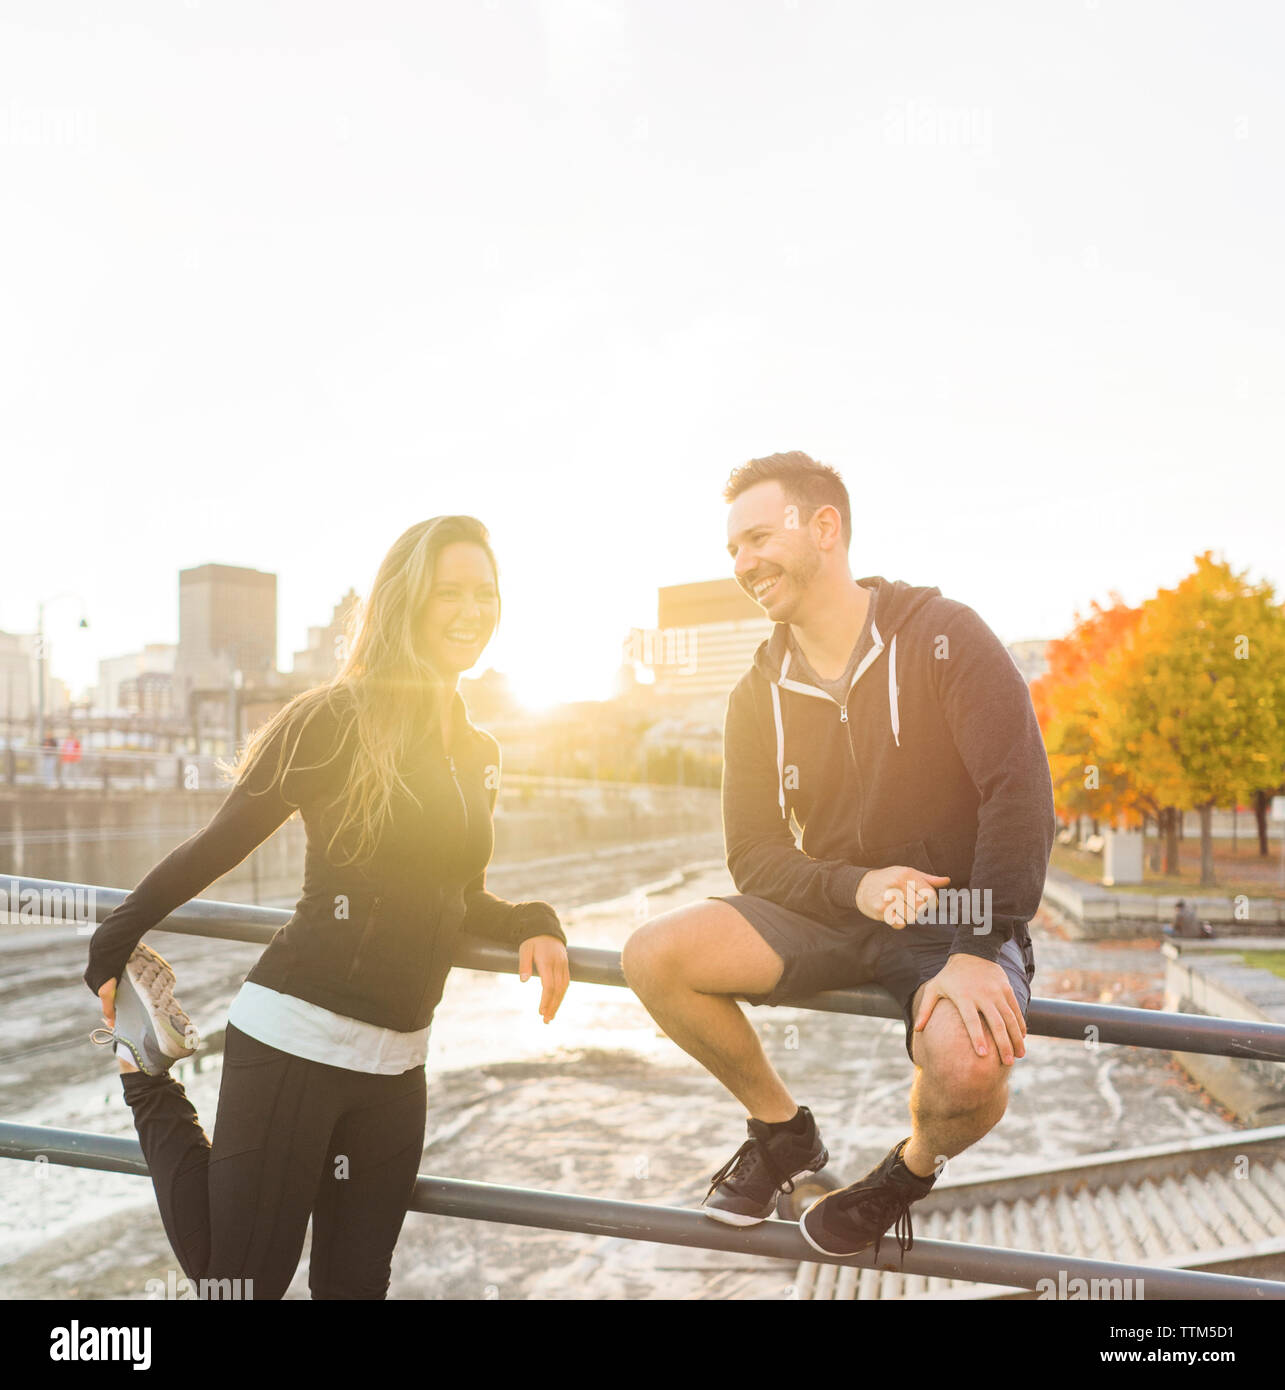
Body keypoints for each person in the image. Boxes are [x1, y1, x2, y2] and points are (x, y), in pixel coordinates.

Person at [84, 515, 571, 1299]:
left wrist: (532, 920)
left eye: (484, 592)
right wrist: (115, 938)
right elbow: (219, 845)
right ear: (405, 602)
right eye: (448, 592)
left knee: (352, 1290)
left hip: (398, 1070)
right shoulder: (334, 718)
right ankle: (146, 1073)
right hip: (295, 1042)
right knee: (236, 1286)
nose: (470, 609)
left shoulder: (479, 751)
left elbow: (456, 896)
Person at [622, 452, 1055, 1262]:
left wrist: (973, 951)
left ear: (824, 527)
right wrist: (855, 888)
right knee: (652, 954)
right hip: (825, 907)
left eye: (757, 537)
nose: (744, 563)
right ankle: (782, 1134)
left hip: (949, 912)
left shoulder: (943, 635)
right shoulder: (755, 691)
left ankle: (903, 1175)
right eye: (732, 551)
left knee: (966, 1065)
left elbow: (1019, 795)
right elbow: (751, 855)